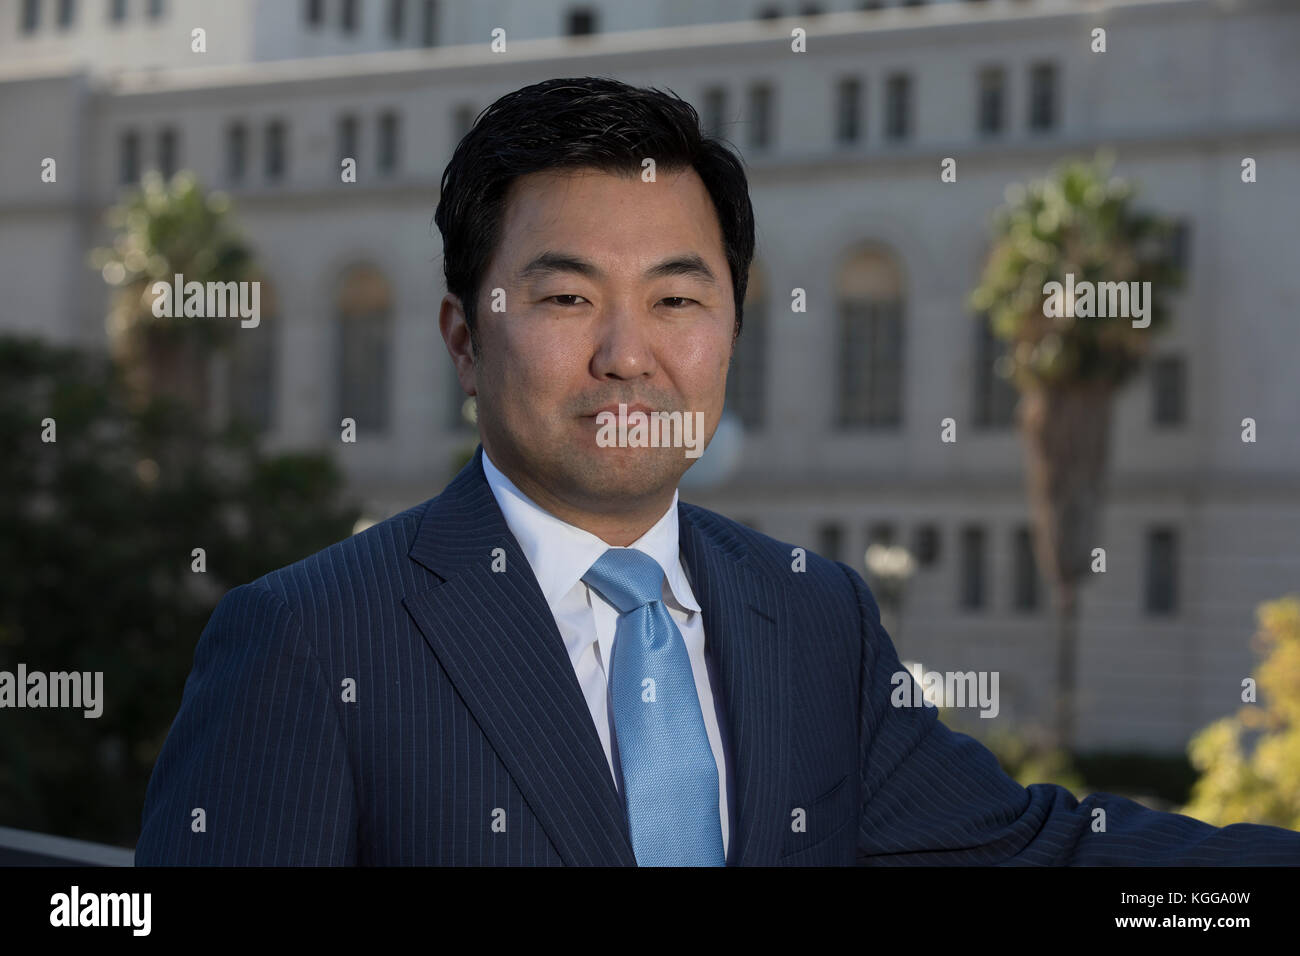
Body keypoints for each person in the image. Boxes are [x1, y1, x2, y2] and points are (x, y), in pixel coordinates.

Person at [135, 76, 1300, 866]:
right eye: (566, 296)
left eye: (678, 299)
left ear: (731, 327)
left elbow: (1028, 853)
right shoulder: (305, 639)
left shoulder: (809, 613)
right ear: (463, 336)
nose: (627, 353)